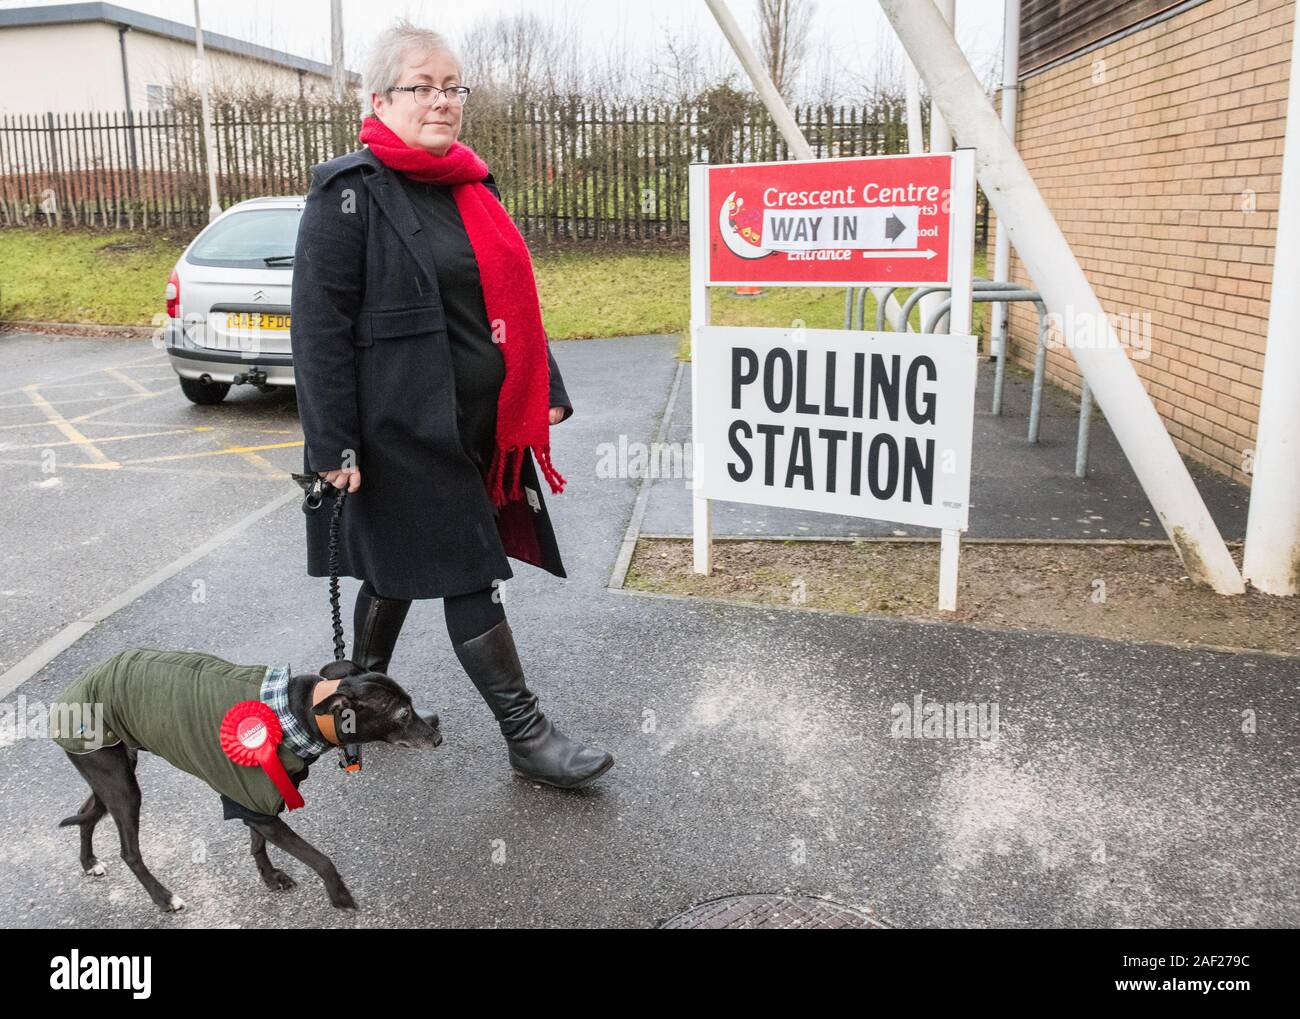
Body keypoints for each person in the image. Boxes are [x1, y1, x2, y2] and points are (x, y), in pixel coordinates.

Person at [289, 19, 613, 789]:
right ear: (379, 99)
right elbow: (319, 329)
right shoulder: (349, 194)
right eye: (422, 87)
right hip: (396, 431)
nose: (441, 101)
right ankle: (527, 735)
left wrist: (548, 390)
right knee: (470, 568)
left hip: (473, 426)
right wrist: (332, 445)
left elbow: (507, 311)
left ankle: (346, 700)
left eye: (451, 87)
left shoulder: (472, 185)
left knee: (397, 571)